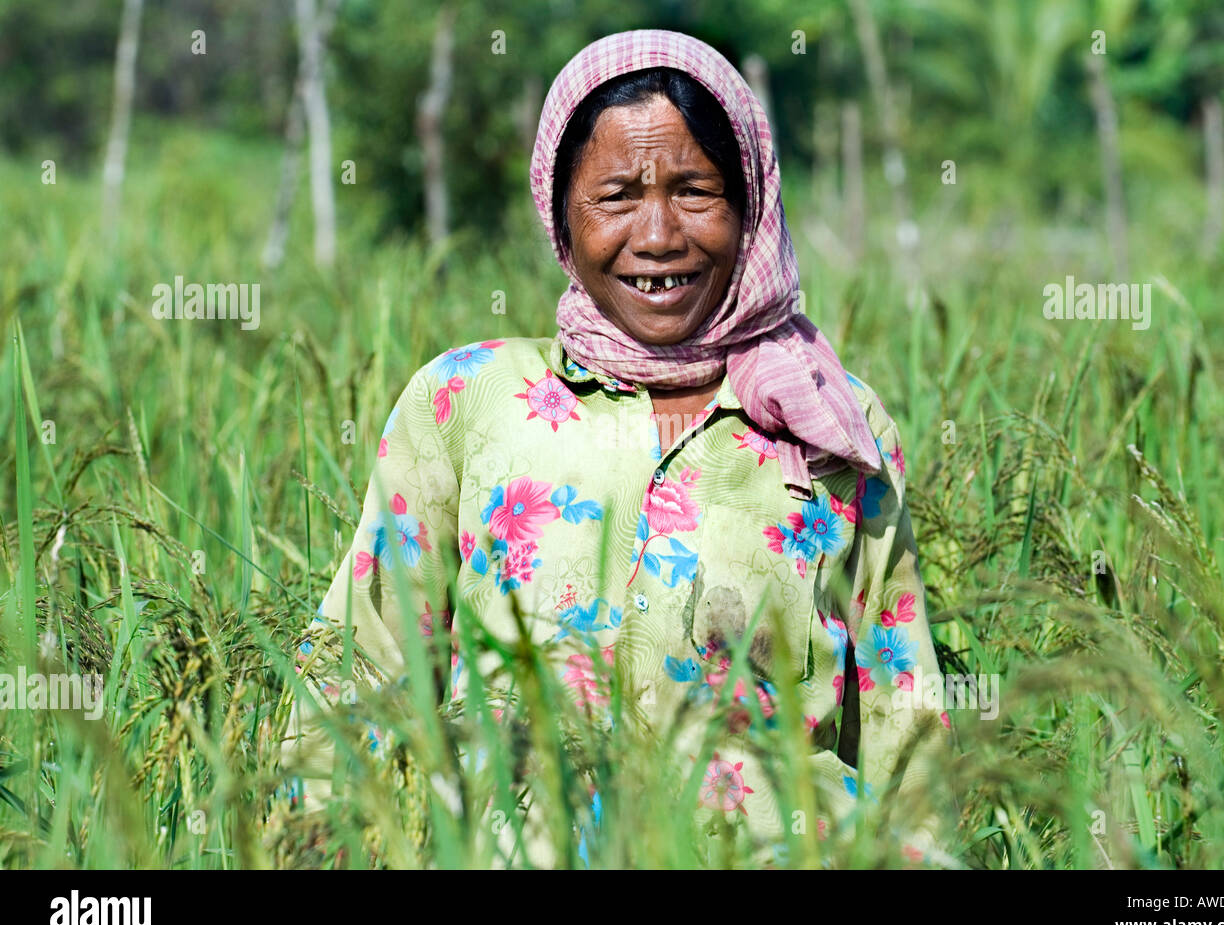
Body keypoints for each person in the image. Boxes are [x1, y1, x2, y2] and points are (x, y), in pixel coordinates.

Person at [279, 28, 957, 868]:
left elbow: (903, 704)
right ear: (560, 213)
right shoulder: (467, 398)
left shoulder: (834, 418)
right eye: (616, 196)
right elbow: (361, 660)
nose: (660, 235)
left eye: (696, 190)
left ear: (751, 206)